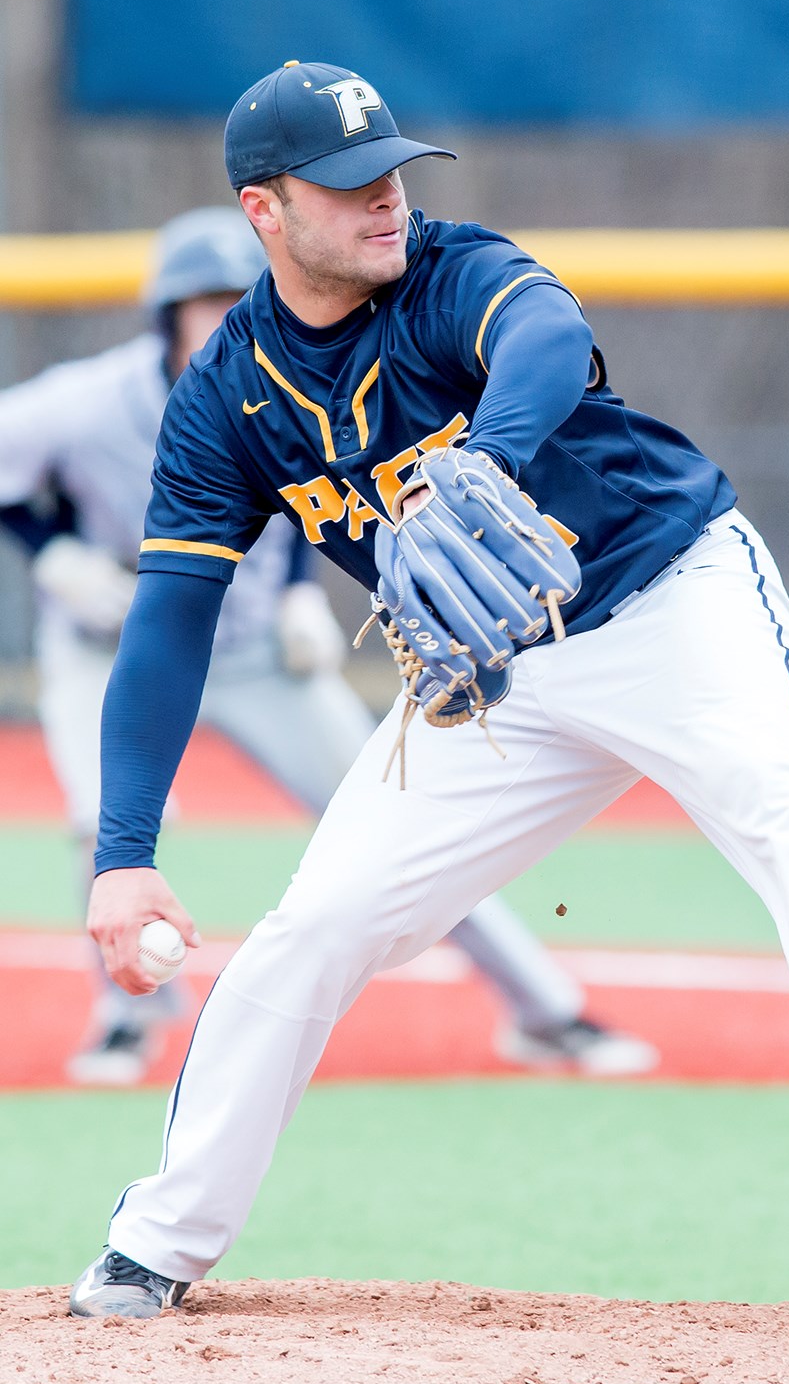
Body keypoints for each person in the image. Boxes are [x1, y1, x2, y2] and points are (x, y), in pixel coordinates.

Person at [70, 61, 789, 1320]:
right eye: (346, 184)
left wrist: (481, 455)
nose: (384, 199)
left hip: (667, 597)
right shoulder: (225, 399)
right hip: (491, 678)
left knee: (778, 801)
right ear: (265, 212)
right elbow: (169, 619)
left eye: (391, 172)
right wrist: (123, 850)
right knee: (314, 926)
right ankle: (157, 1241)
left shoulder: (450, 269)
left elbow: (538, 333)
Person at [0, 206, 657, 1087]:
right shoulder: (87, 403)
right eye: (202, 300)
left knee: (413, 822)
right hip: (104, 644)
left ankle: (545, 1010)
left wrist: (305, 599)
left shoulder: (289, 387)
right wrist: (54, 550)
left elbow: (318, 507)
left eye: (237, 294)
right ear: (164, 314)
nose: (223, 313)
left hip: (265, 647)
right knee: (103, 822)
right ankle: (129, 1018)